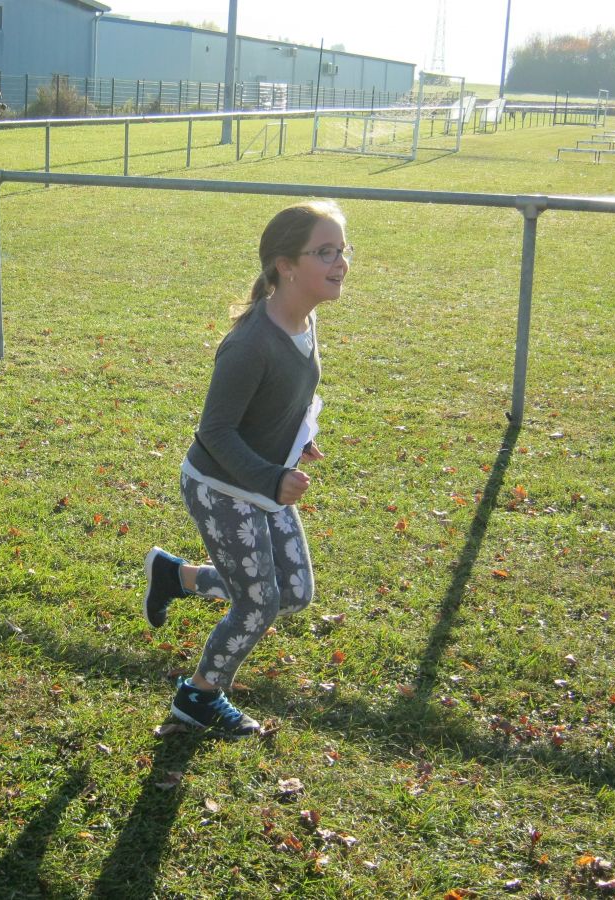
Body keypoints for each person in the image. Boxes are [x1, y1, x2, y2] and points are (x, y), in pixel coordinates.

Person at [142, 201, 352, 735]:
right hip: (220, 487)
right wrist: (270, 478)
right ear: (285, 264)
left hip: (261, 480)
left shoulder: (304, 319)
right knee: (258, 604)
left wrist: (297, 441)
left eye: (342, 250)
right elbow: (215, 432)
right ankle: (198, 698)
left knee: (295, 593)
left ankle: (176, 576)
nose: (340, 261)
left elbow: (286, 397)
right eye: (324, 252)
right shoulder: (250, 344)